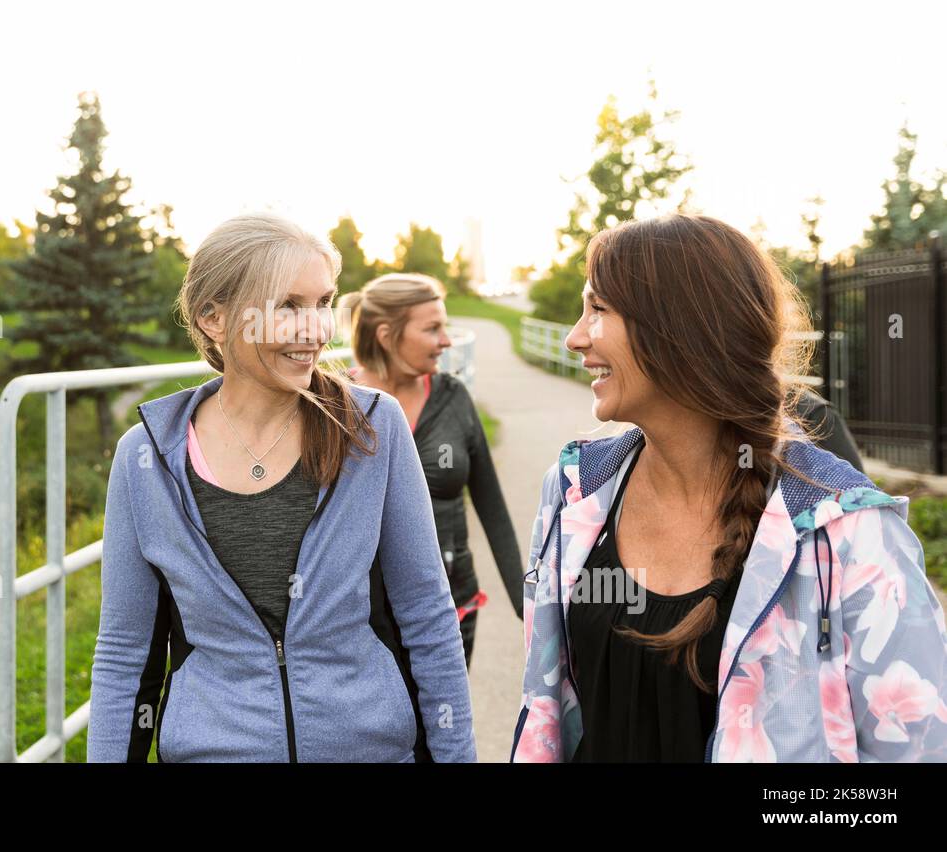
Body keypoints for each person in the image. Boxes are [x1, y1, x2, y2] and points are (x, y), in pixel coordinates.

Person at [512, 213, 947, 763]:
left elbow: (918, 753)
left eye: (598, 309)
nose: (576, 338)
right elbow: (546, 713)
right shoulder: (575, 492)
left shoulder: (848, 530)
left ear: (680, 330)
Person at [87, 213, 476, 763]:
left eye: (323, 303)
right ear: (214, 318)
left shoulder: (372, 428)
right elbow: (125, 652)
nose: (315, 330)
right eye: (288, 306)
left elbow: (427, 616)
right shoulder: (146, 456)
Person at [339, 273, 525, 670]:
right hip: (360, 624)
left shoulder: (453, 397)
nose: (446, 340)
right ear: (387, 335)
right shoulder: (336, 404)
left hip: (451, 609)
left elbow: (493, 511)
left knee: (445, 728)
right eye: (433, 328)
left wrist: (531, 614)